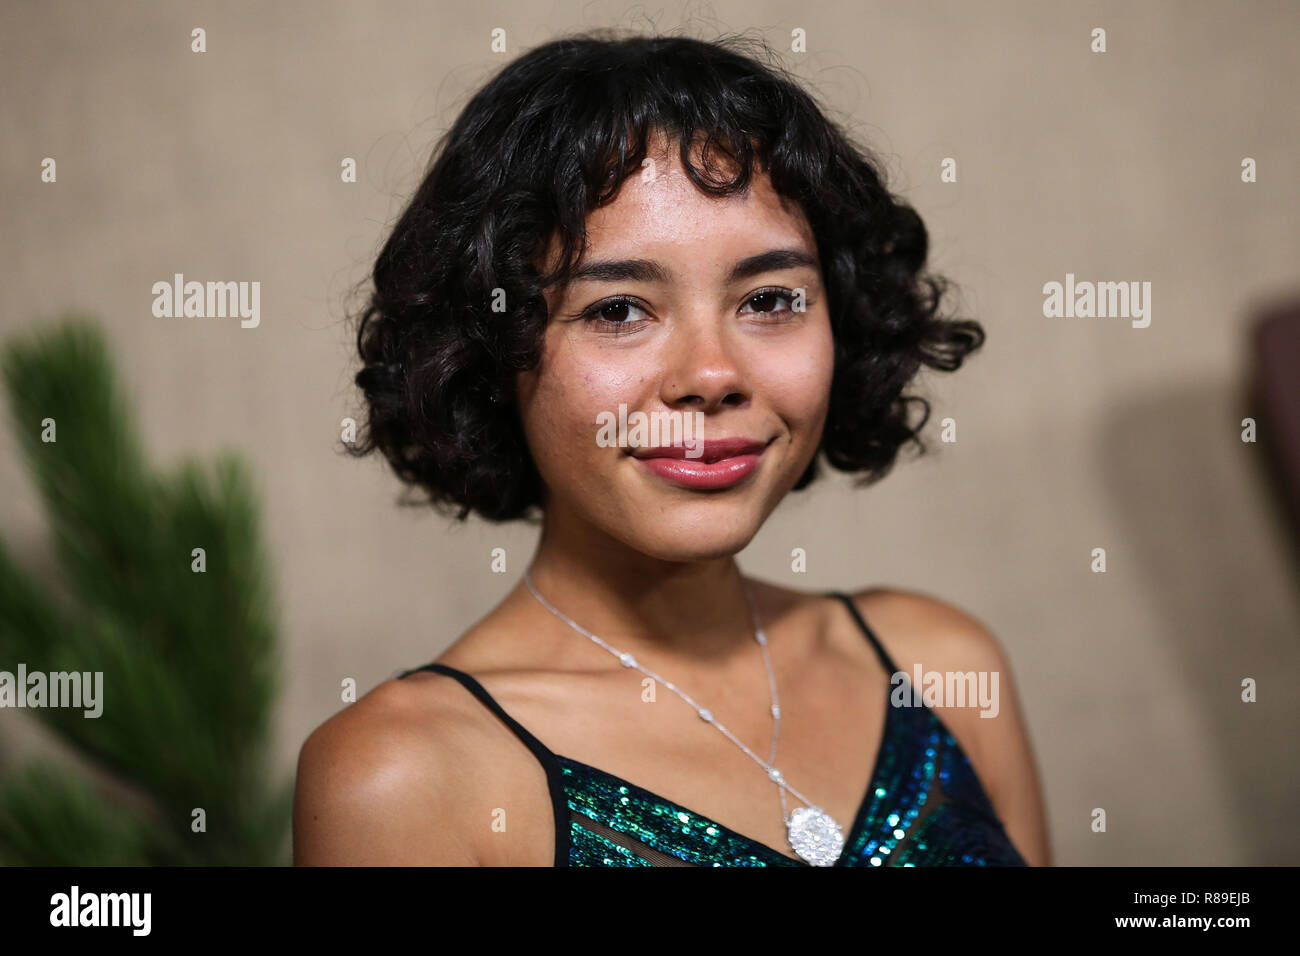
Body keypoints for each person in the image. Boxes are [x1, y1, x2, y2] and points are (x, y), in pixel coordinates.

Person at [293, 31, 1050, 867]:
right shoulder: (405, 778)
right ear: (485, 350)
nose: (712, 374)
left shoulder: (938, 666)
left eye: (768, 298)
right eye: (618, 310)